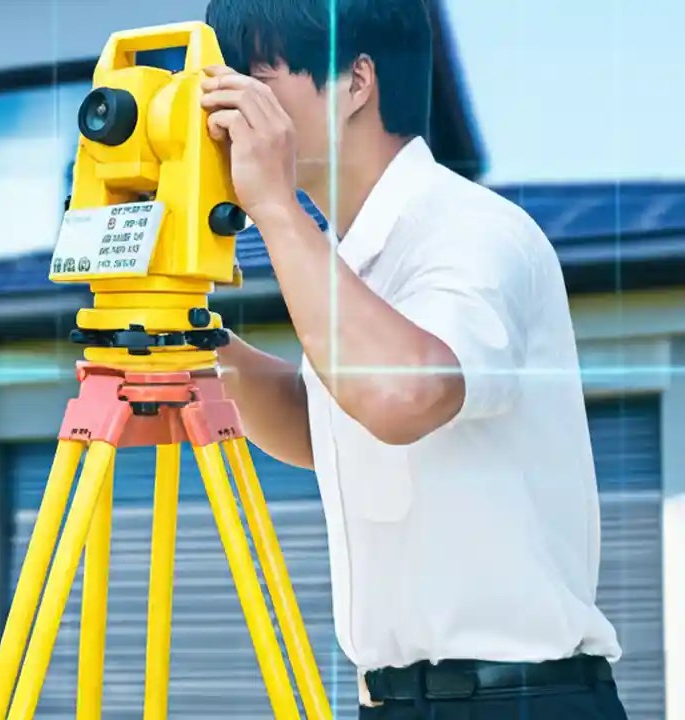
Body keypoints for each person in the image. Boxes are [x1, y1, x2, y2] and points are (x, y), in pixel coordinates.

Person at [199, 1, 630, 718]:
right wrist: (188, 336)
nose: (230, 106)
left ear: (356, 82)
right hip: (396, 703)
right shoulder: (350, 261)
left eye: (257, 76)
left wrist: (274, 208)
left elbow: (399, 398)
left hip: (517, 699)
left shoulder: (471, 232)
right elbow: (325, 422)